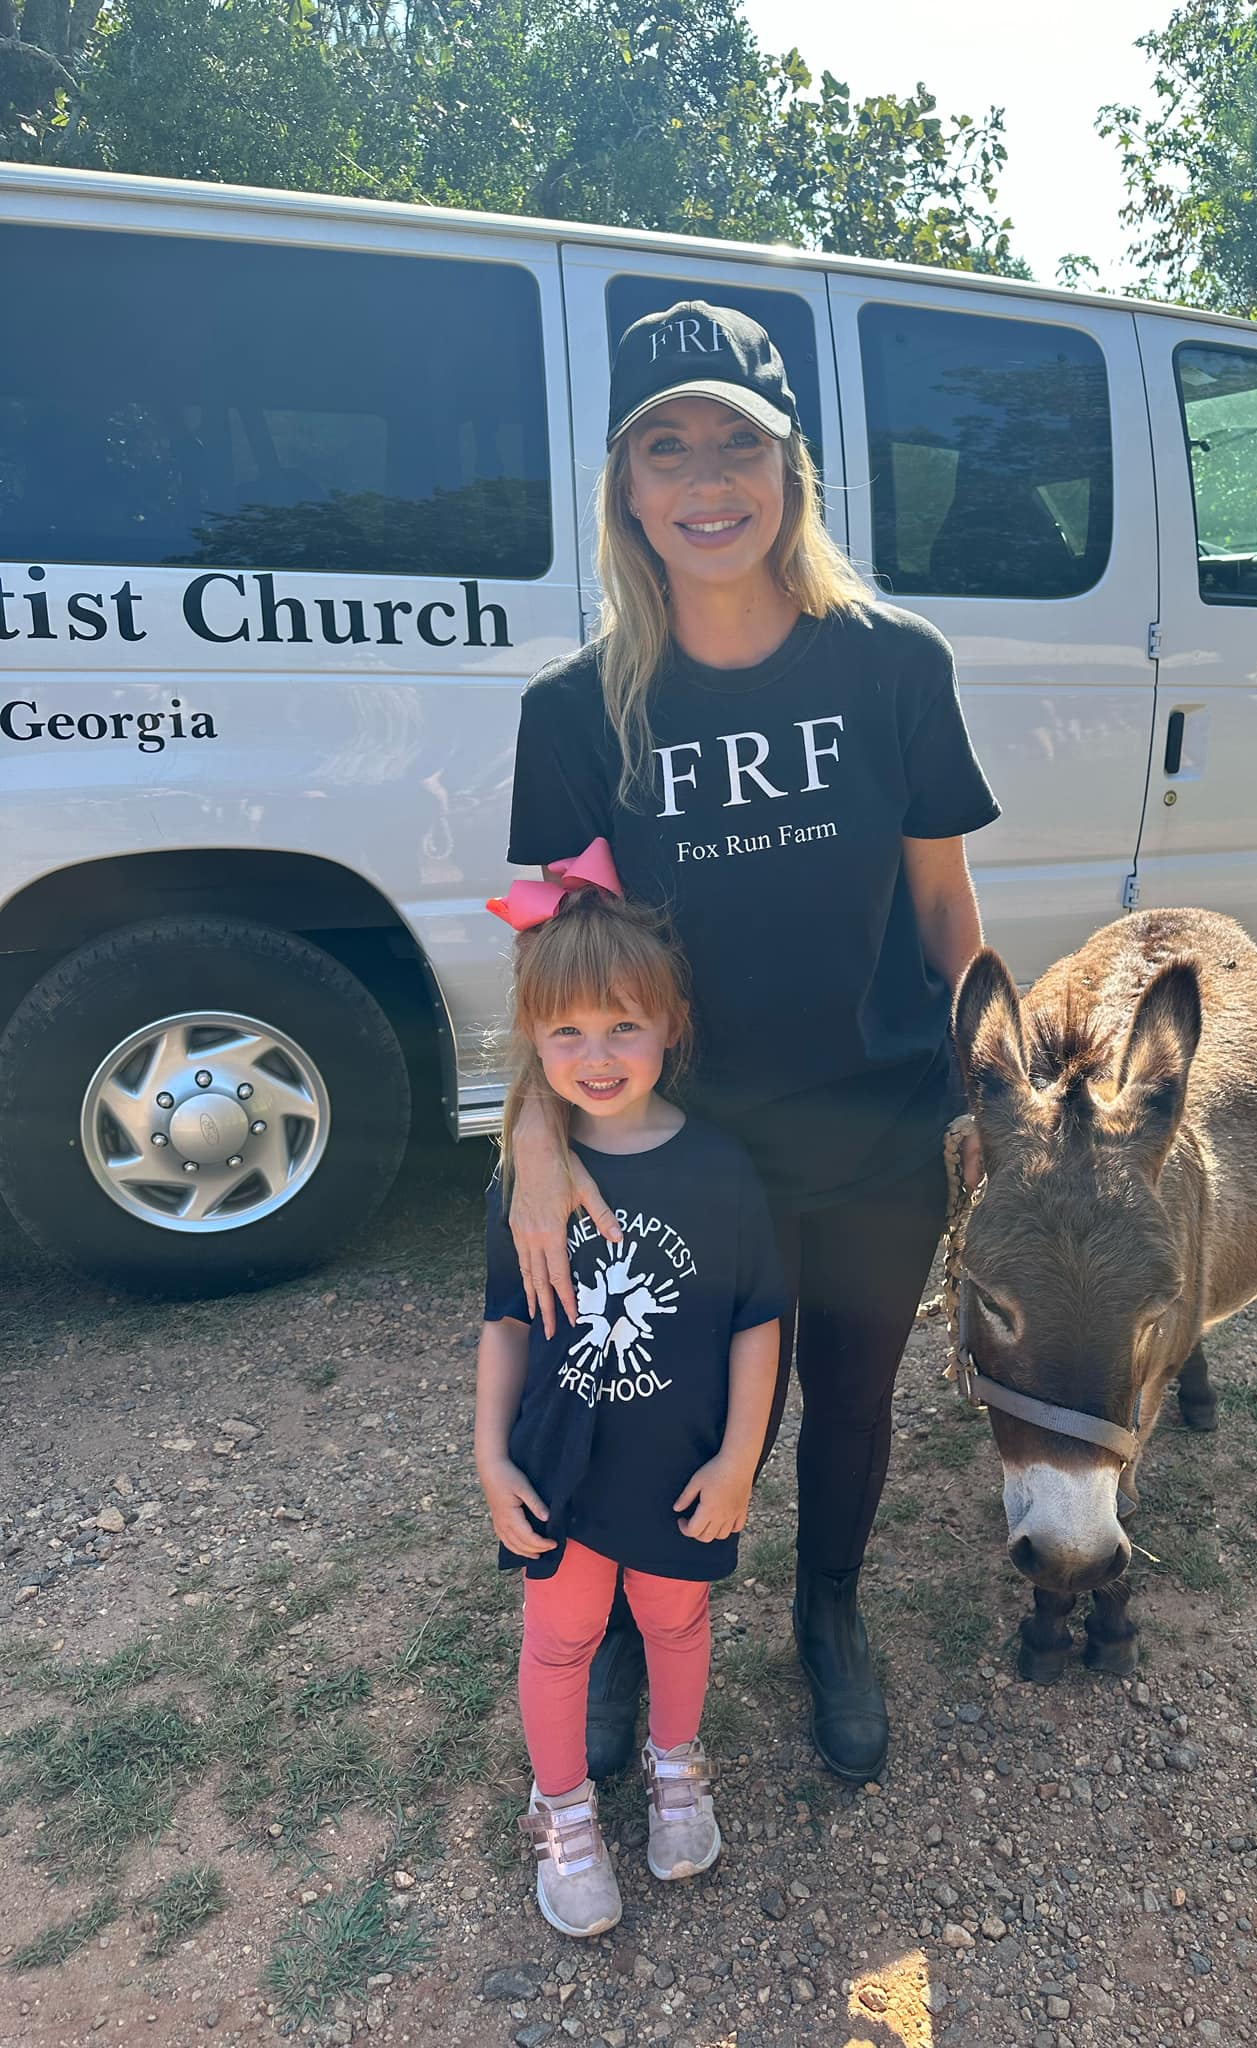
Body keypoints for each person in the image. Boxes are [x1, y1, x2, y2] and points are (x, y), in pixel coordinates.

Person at [505, 300, 998, 1782]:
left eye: (740, 445)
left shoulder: (894, 666)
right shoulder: (577, 709)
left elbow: (944, 900)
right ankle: (631, 1633)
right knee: (661, 1401)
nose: (707, 481)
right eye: (669, 449)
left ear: (792, 471)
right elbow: (556, 954)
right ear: (626, 487)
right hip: (680, 1151)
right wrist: (537, 1139)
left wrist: (1000, 1097)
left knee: (849, 1395)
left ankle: (829, 1616)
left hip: (877, 1123)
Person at [475, 856, 784, 1938]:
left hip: (681, 1460)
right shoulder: (531, 1177)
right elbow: (506, 1321)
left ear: (672, 1024)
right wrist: (490, 1454)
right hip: (563, 1462)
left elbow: (757, 1316)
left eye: (622, 1026)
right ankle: (562, 1810)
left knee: (675, 1615)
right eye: (566, 1033)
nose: (597, 1056)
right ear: (532, 1037)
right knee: (559, 1636)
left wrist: (742, 1453)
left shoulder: (722, 1169)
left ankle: (674, 1768)